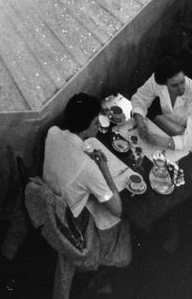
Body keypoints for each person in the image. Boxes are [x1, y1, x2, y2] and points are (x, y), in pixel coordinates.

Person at [42, 94, 132, 270]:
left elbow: (67, 155)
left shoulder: (52, 133)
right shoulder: (88, 169)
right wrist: (104, 170)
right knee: (121, 218)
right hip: (70, 221)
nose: (98, 126)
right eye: (95, 123)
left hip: (51, 203)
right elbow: (117, 209)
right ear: (84, 129)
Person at [130, 54, 192, 155]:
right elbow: (140, 98)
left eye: (182, 81)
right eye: (174, 85)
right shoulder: (157, 80)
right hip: (167, 127)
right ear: (164, 84)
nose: (181, 88)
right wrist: (139, 121)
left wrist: (162, 141)